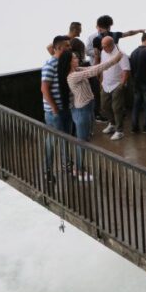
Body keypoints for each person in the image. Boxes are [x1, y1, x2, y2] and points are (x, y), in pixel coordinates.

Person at [58, 49, 123, 181]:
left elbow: (93, 67)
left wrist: (110, 61)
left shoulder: (77, 70)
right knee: (82, 142)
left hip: (86, 108)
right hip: (81, 111)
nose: (77, 59)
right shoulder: (73, 76)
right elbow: (94, 71)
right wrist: (114, 60)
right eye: (74, 58)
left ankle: (78, 167)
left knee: (84, 140)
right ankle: (78, 170)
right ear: (69, 62)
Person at [41, 35, 72, 183]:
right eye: (67, 46)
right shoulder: (49, 65)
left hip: (65, 108)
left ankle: (67, 167)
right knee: (52, 141)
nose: (70, 48)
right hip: (55, 112)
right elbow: (44, 89)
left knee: (66, 139)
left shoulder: (63, 63)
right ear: (58, 48)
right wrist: (54, 109)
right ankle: (47, 171)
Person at [100, 36, 130, 141]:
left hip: (117, 85)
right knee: (104, 106)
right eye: (102, 46)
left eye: (105, 46)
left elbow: (126, 70)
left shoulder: (121, 54)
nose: (103, 48)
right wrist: (101, 81)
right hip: (105, 84)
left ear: (111, 45)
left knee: (117, 108)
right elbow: (102, 66)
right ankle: (112, 124)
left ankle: (119, 131)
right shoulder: (103, 52)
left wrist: (122, 85)